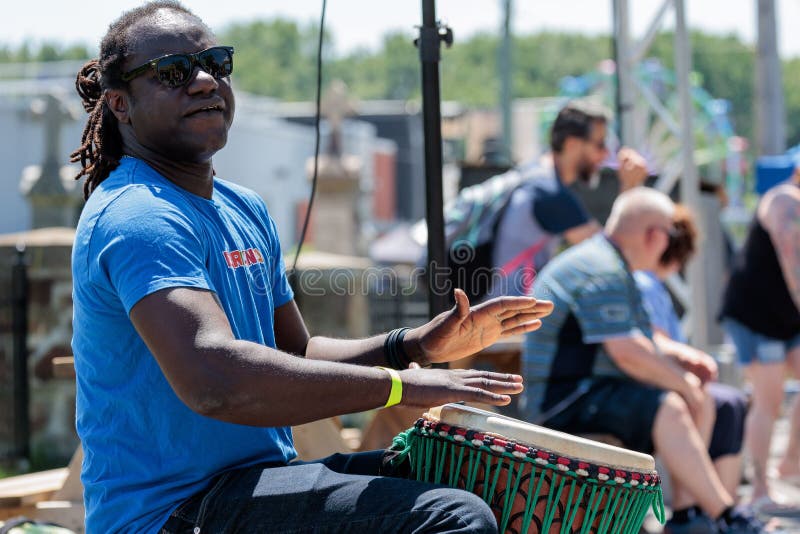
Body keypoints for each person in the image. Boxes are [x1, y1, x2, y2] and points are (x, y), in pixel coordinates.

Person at [68, 3, 555, 533]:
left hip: (253, 484)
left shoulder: (243, 207)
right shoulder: (137, 214)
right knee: (453, 516)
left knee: (488, 479)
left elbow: (295, 355)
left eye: (215, 63)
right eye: (173, 72)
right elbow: (214, 380)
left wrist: (413, 345)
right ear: (120, 104)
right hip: (174, 513)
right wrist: (399, 387)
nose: (204, 81)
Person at [521, 187, 765, 533]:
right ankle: (726, 515)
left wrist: (684, 365)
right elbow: (628, 353)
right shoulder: (602, 268)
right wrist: (684, 384)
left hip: (583, 390)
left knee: (695, 396)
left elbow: (641, 340)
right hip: (561, 402)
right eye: (670, 235)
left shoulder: (610, 262)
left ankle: (686, 516)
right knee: (673, 405)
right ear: (655, 236)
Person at [435, 101, 648, 302]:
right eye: (600, 144)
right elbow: (609, 255)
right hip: (505, 318)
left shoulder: (533, 175)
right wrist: (630, 187)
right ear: (572, 144)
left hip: (495, 310)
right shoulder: (551, 195)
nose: (606, 154)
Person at [634, 204, 750, 532]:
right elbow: (654, 341)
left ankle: (719, 512)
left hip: (664, 376)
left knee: (731, 402)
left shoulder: (653, 284)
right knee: (718, 402)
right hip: (653, 381)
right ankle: (697, 513)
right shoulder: (644, 282)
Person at [720, 167, 800, 515]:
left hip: (787, 315)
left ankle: (791, 464)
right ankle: (760, 491)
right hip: (756, 314)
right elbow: (795, 266)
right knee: (769, 399)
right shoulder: (785, 201)